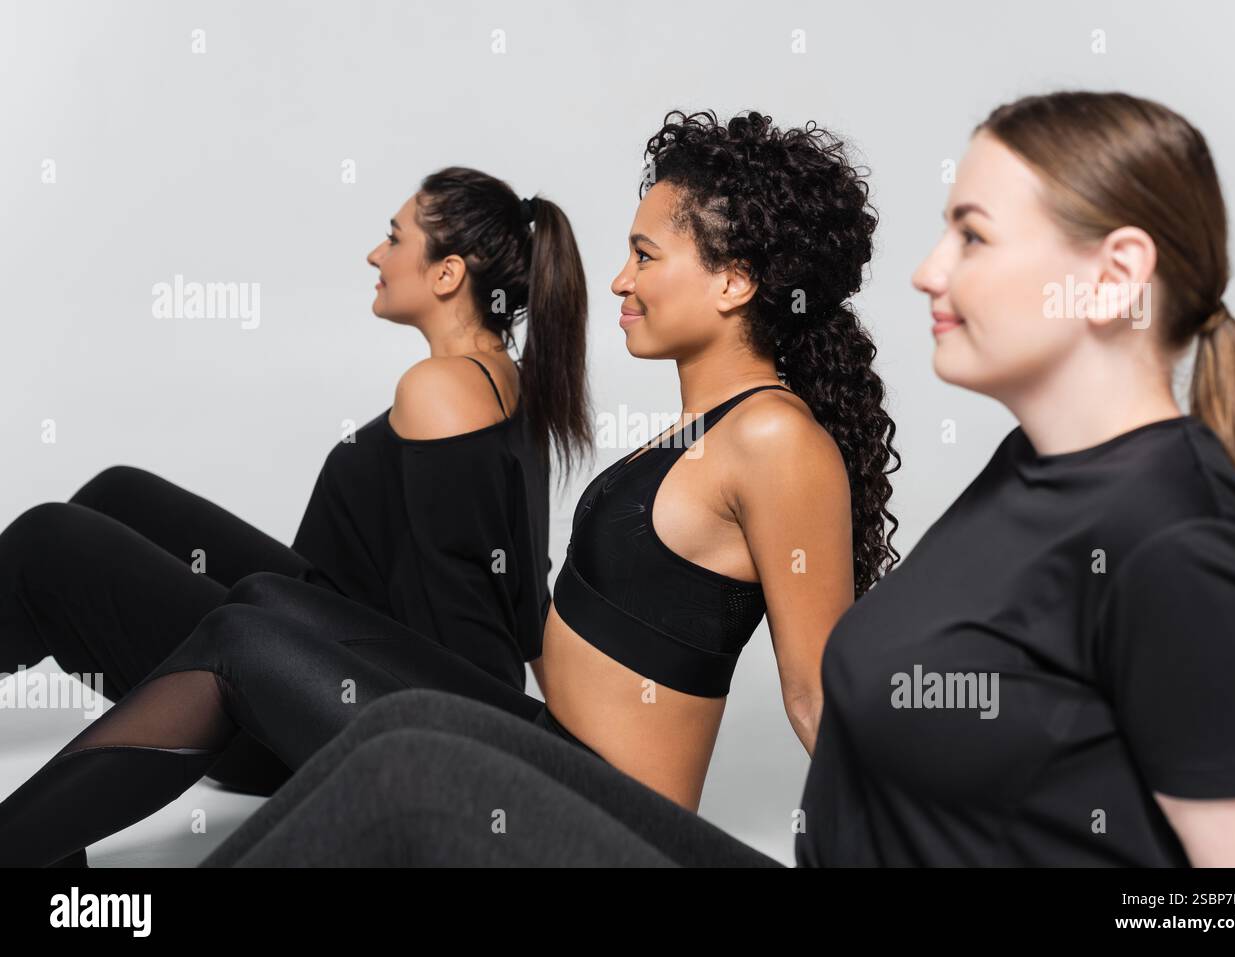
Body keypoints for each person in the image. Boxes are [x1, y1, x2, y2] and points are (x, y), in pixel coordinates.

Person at [203, 91, 1235, 869]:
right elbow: (843, 705)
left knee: (408, 769)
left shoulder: (1179, 545)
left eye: (970, 235)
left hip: (642, 811)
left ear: (1112, 277)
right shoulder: (1026, 479)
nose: (925, 270)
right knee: (392, 735)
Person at [0, 107, 903, 866]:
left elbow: (814, 695)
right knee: (265, 603)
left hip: (608, 814)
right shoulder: (700, 429)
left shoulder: (776, 437)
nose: (621, 280)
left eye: (646, 255)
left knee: (244, 635)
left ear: (735, 282)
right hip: (539, 740)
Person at [0, 168, 590, 866]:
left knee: (49, 541)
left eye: (395, 237)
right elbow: (522, 601)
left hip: (306, 710)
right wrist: (578, 746)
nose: (376, 254)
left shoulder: (437, 392)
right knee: (115, 493)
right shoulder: (503, 378)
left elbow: (456, 626)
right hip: (346, 640)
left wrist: (541, 773)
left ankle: (41, 833)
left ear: (448, 273)